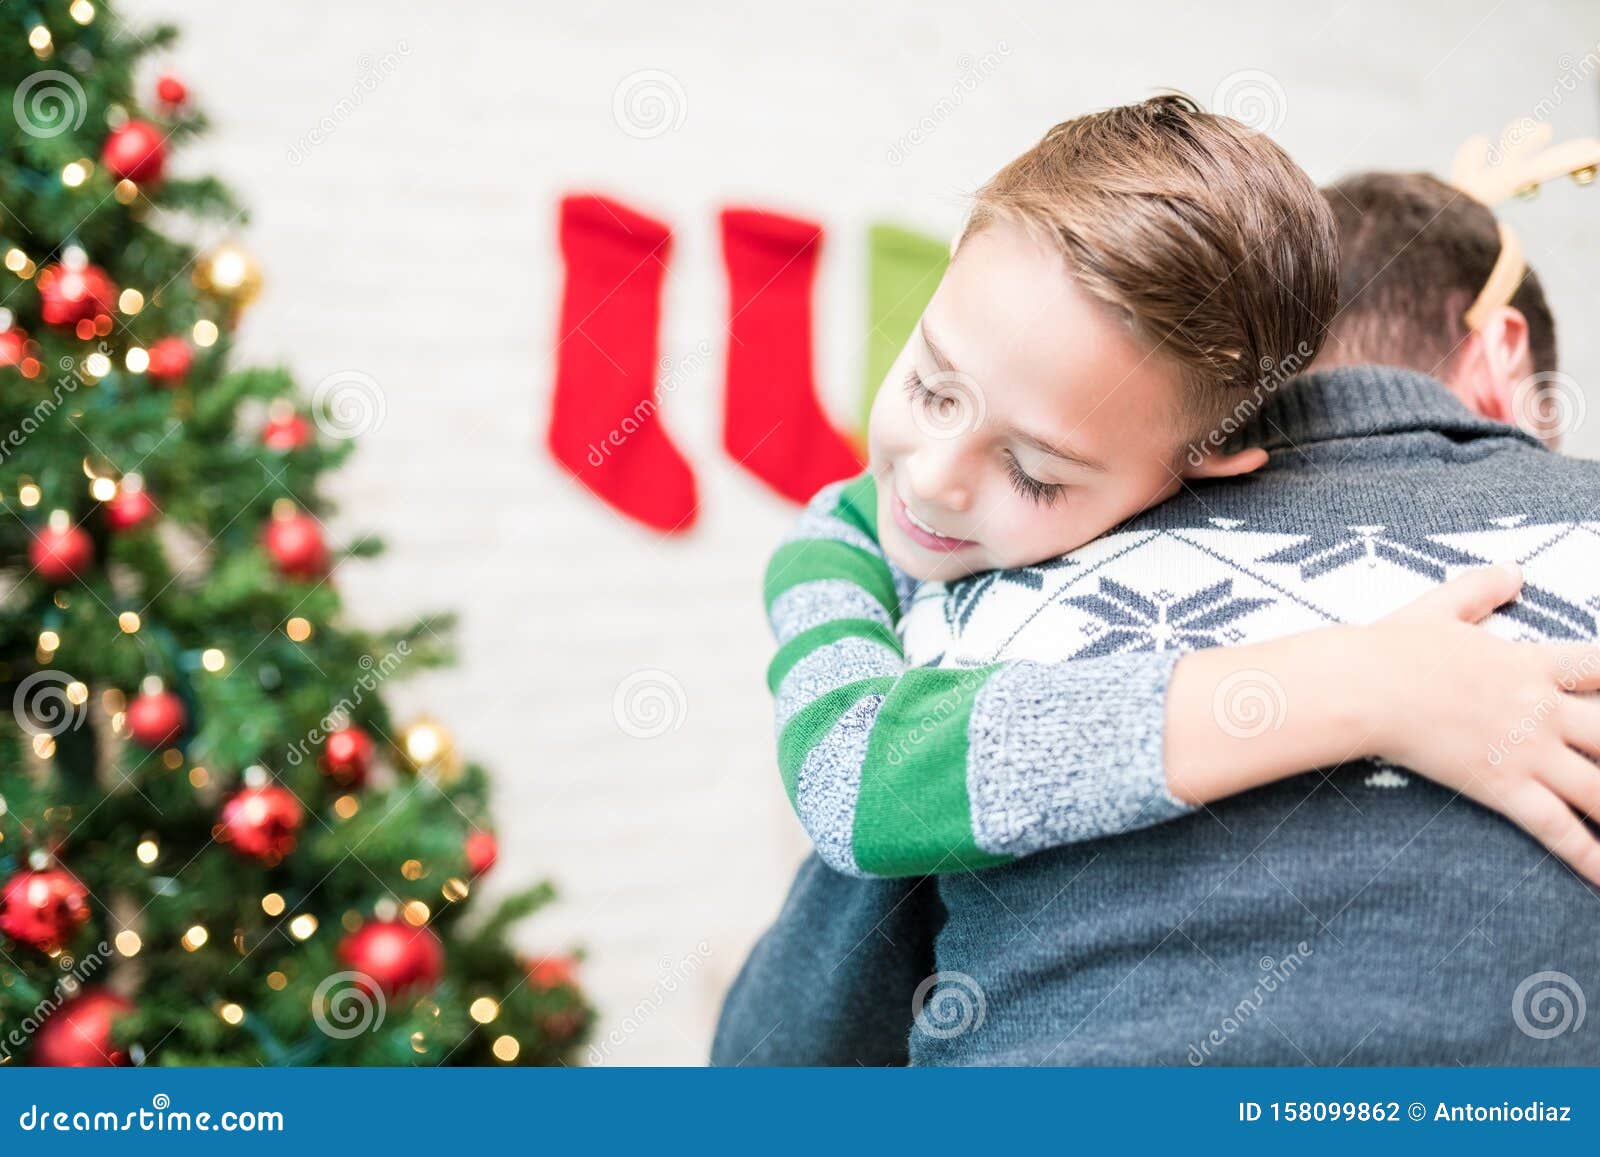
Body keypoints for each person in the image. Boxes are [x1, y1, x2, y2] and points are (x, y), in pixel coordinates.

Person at [714, 162, 1600, 1065]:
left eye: (1038, 472)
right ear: (1503, 354)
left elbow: (781, 1048)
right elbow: (856, 770)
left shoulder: (982, 607)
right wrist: (1366, 686)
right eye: (933, 389)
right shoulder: (896, 540)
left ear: (1200, 457)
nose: (937, 478)